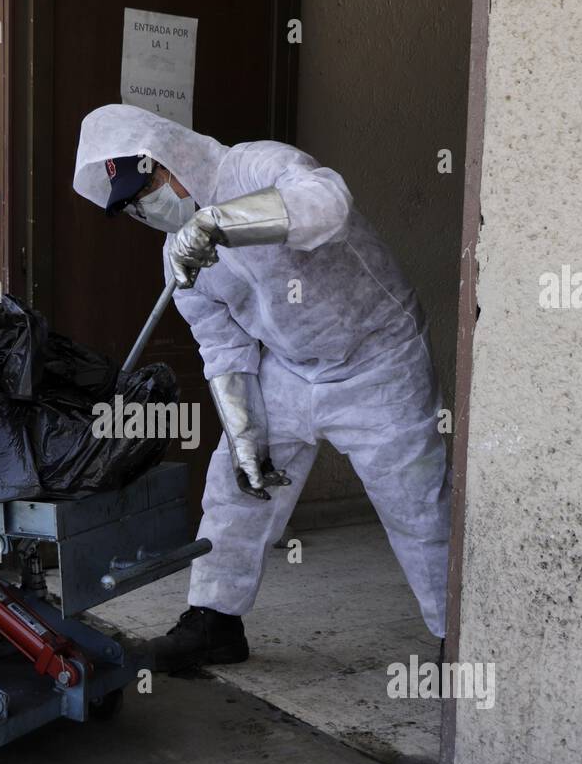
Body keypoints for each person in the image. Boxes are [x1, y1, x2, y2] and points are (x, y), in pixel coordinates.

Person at [72, 104, 451, 672]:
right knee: (234, 489)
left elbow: (327, 206)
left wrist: (220, 221)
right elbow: (223, 347)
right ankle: (214, 621)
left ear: (169, 158)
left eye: (144, 187)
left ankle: (459, 635)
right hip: (290, 369)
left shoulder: (252, 166)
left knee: (418, 505)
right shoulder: (180, 256)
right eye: (129, 206)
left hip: (378, 358)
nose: (143, 208)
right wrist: (246, 434)